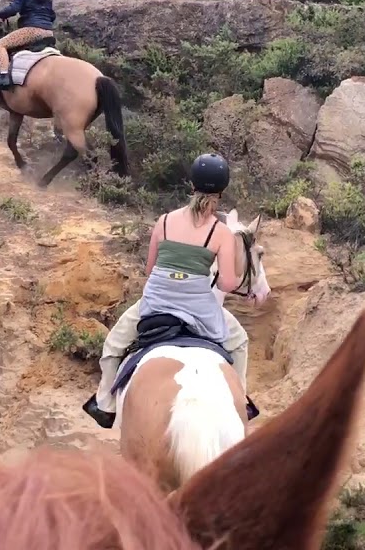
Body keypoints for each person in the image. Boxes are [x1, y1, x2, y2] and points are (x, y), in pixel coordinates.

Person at [84, 154, 254, 429]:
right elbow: (226, 284)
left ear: (191, 186)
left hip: (156, 304)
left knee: (114, 344)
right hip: (199, 310)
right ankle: (241, 403)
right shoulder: (221, 233)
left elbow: (150, 270)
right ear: (220, 193)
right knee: (240, 342)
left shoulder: (163, 222)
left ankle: (105, 402)